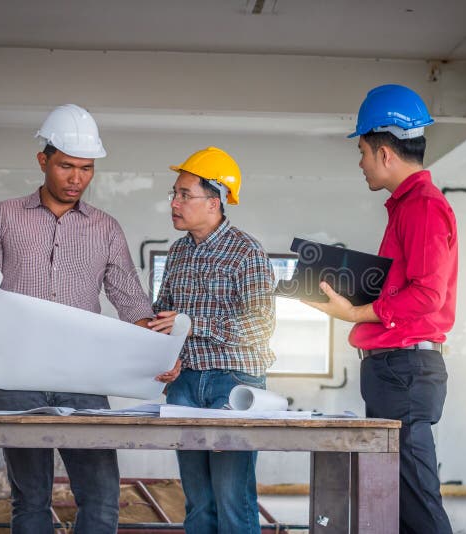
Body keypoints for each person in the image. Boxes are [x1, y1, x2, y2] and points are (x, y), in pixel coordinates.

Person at [0, 104, 154, 534]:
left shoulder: (105, 228)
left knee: (101, 497)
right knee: (29, 498)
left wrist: (158, 349)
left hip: (84, 376)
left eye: (86, 169)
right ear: (43, 160)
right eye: (66, 166)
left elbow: (131, 301)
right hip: (15, 375)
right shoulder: (3, 216)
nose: (76, 179)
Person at [305, 84, 457, 534]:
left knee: (417, 504)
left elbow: (429, 294)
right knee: (401, 504)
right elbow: (410, 287)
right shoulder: (408, 208)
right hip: (397, 370)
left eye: (362, 151)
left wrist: (355, 314)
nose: (360, 162)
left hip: (404, 370)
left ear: (385, 152)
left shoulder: (424, 208)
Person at [149, 146, 275, 534]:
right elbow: (164, 316)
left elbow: (260, 328)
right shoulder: (178, 252)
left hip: (233, 385)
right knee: (198, 503)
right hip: (185, 385)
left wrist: (192, 323)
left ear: (215, 201)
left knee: (232, 499)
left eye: (185, 195)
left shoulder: (247, 252)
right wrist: (163, 354)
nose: (175, 202)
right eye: (174, 193)